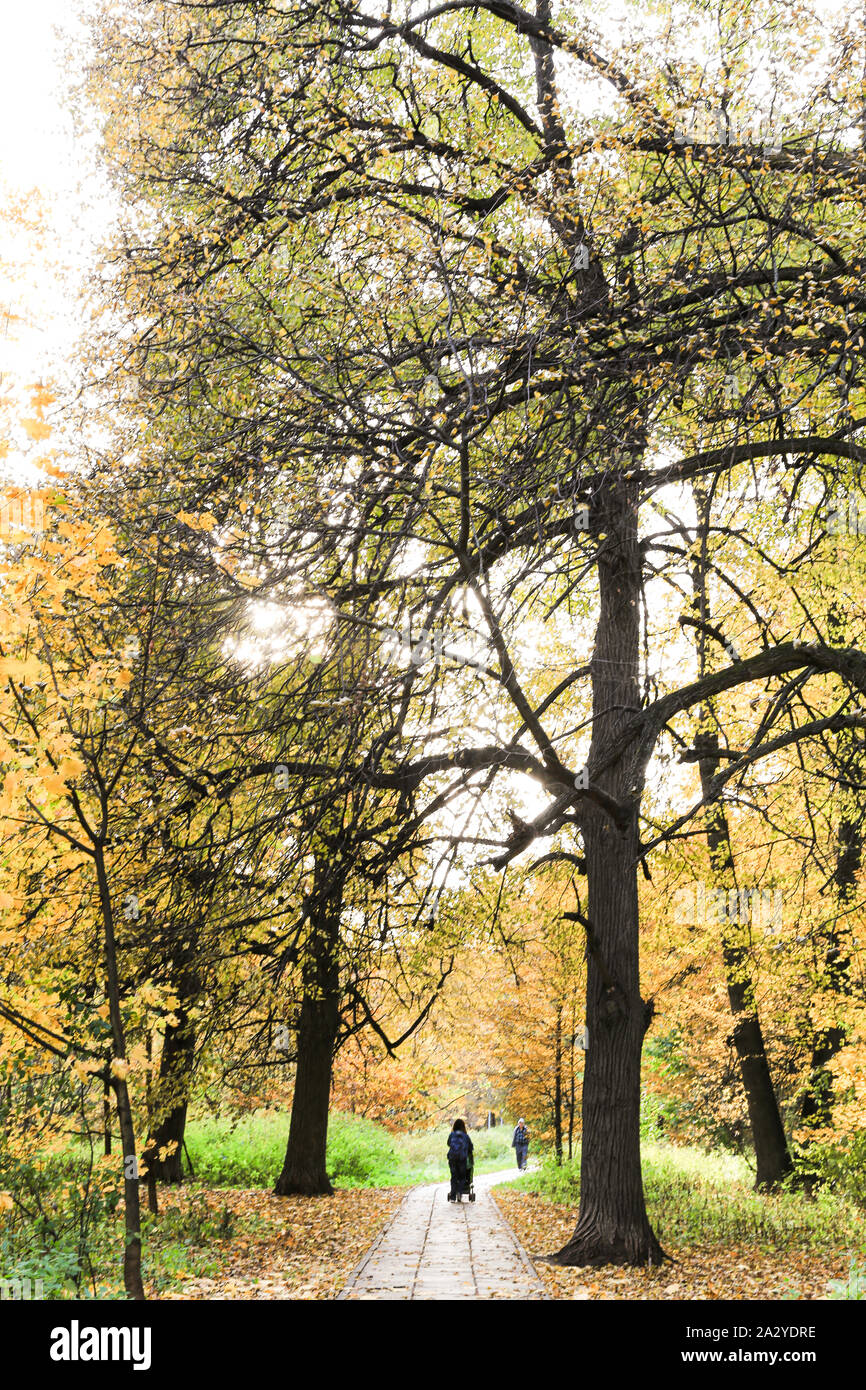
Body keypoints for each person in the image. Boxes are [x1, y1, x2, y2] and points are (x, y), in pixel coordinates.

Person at [446, 1118, 474, 1201]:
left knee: (454, 1177)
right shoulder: (466, 1136)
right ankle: (459, 1193)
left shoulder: (451, 1135)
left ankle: (452, 1197)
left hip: (452, 1158)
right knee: (462, 1177)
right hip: (462, 1158)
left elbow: (448, 1144)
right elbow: (471, 1147)